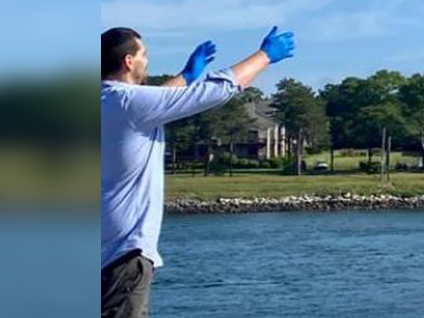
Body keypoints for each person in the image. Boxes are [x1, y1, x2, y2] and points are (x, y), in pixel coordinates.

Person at [100, 25, 295, 317]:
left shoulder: (107, 103)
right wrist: (264, 56)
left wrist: (185, 77)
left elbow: (151, 105)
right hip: (123, 256)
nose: (147, 61)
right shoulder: (130, 104)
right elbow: (215, 91)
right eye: (144, 55)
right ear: (129, 61)